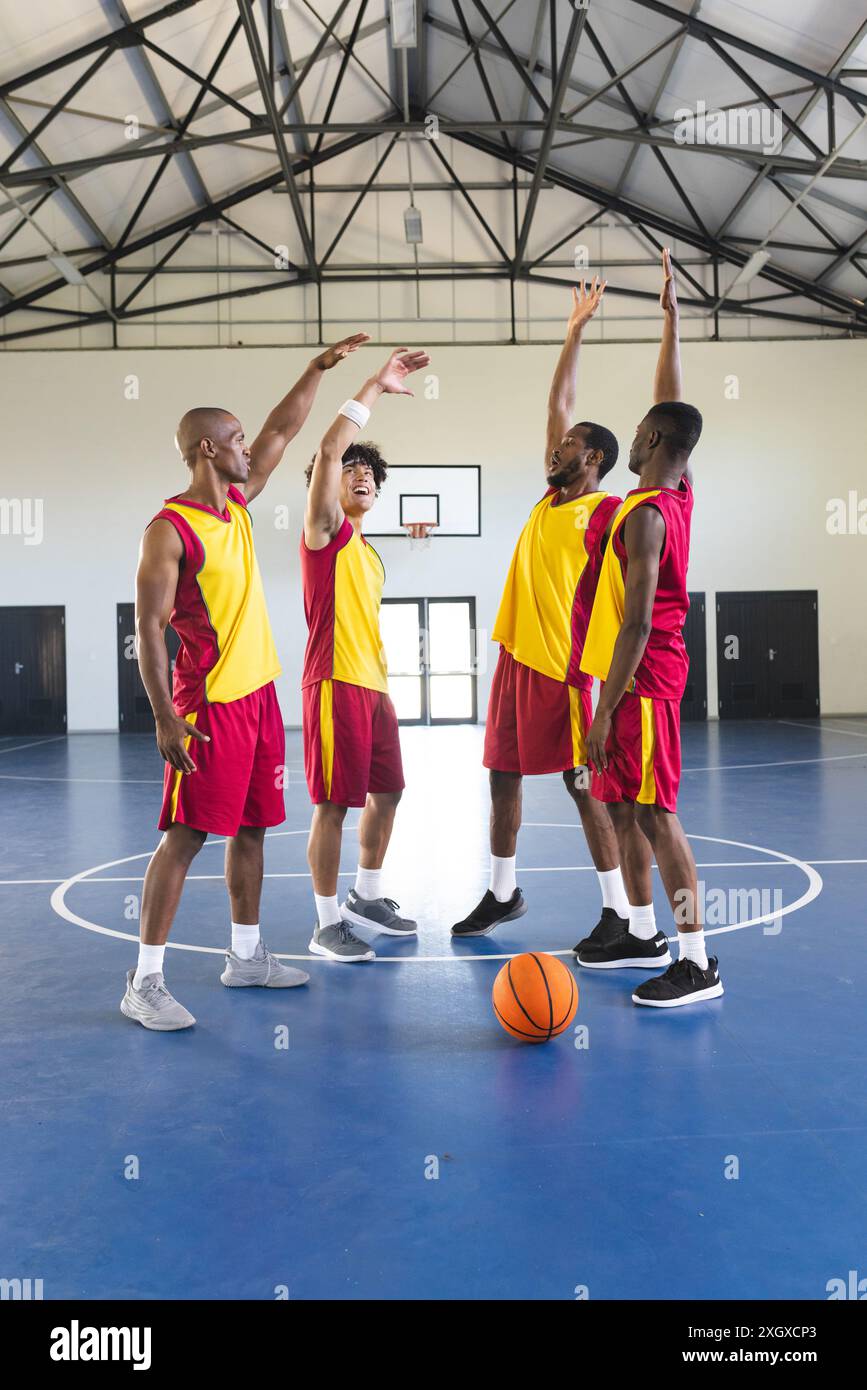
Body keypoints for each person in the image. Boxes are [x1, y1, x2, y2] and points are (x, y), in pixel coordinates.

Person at [122, 334, 368, 1029]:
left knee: (254, 829)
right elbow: (147, 629)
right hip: (208, 704)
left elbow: (284, 429)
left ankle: (247, 956)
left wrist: (317, 370)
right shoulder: (169, 531)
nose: (246, 446)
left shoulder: (238, 502)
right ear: (206, 449)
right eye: (233, 438)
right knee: (187, 835)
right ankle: (143, 982)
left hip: (260, 695)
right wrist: (165, 717)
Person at [452, 278, 635, 942]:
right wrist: (573, 332)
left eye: (566, 447)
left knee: (583, 787)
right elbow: (559, 401)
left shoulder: (608, 513)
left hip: (565, 671)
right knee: (500, 778)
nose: (553, 449)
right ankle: (502, 893)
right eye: (556, 446)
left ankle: (617, 911)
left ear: (592, 459)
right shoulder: (547, 498)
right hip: (514, 661)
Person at [579, 250, 724, 1007]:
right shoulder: (676, 493)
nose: (630, 436)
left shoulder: (641, 517)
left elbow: (634, 622)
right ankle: (642, 932)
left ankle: (697, 960)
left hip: (640, 679)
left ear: (653, 444)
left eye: (639, 430)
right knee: (629, 807)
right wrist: (669, 321)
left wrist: (603, 711)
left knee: (657, 817)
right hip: (640, 677)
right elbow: (674, 409)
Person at [301, 347, 431, 962]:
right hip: (332, 682)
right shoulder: (324, 533)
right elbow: (329, 451)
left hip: (373, 688)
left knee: (390, 791)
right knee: (333, 805)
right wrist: (374, 388)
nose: (363, 478)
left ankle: (366, 895)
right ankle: (327, 922)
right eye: (354, 471)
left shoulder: (371, 554)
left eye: (372, 476)